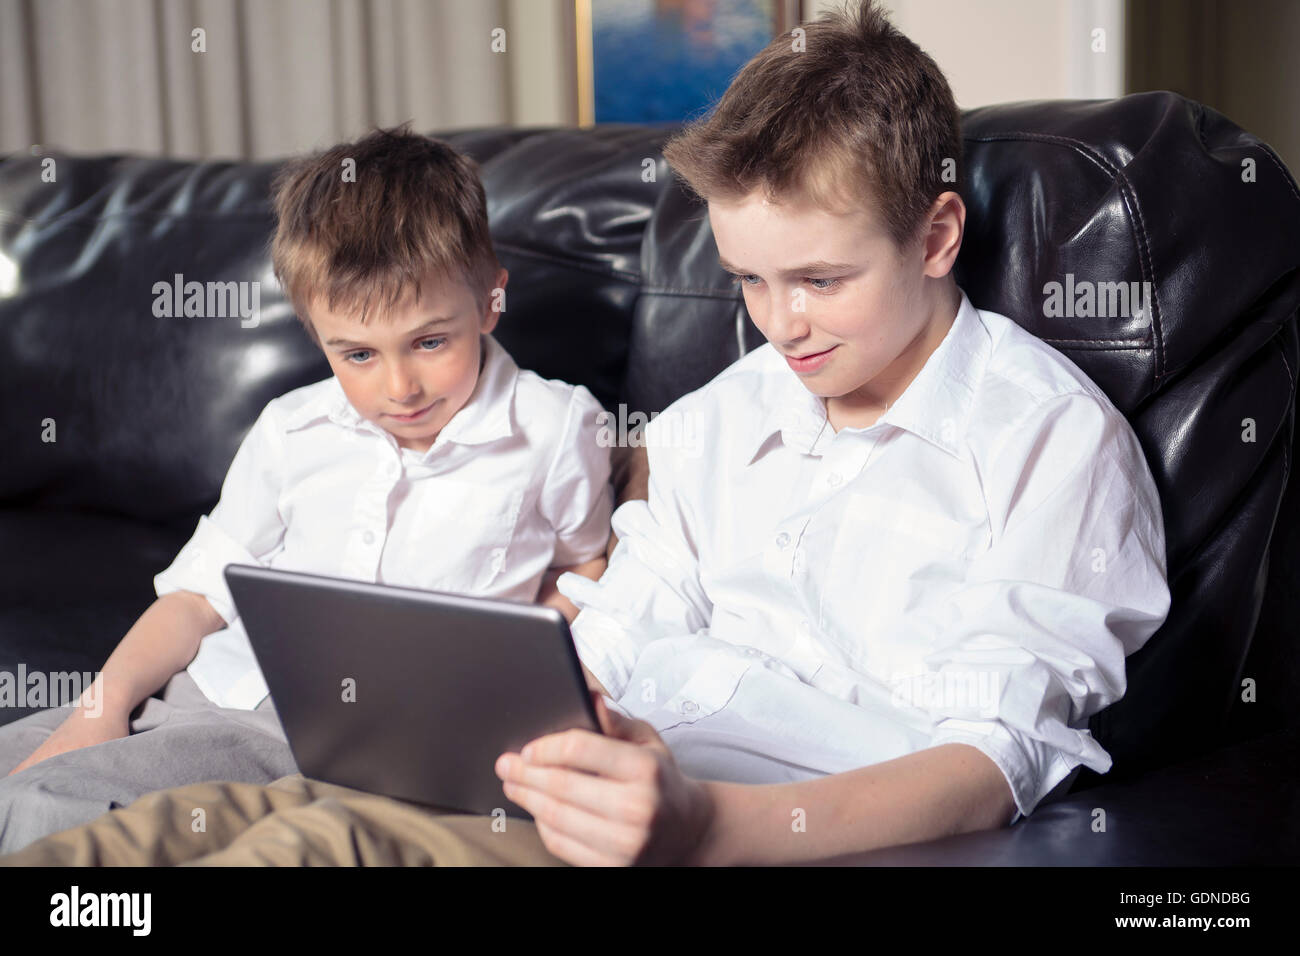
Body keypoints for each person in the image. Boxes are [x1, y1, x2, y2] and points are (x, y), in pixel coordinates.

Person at [0, 0, 1170, 867]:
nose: (781, 326)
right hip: (565, 768)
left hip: (723, 825)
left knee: (291, 854)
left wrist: (705, 823)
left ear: (935, 234)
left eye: (818, 277)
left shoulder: (1047, 442)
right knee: (96, 845)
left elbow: (994, 762)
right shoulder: (717, 420)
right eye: (748, 282)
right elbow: (615, 625)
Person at [0, 124, 613, 855]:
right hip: (217, 683)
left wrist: (517, 653)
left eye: (429, 341)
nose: (399, 387)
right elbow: (198, 597)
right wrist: (98, 710)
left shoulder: (557, 427)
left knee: (48, 808)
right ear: (313, 332)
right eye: (356, 353)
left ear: (489, 302)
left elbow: (588, 566)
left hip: (302, 737)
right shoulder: (293, 429)